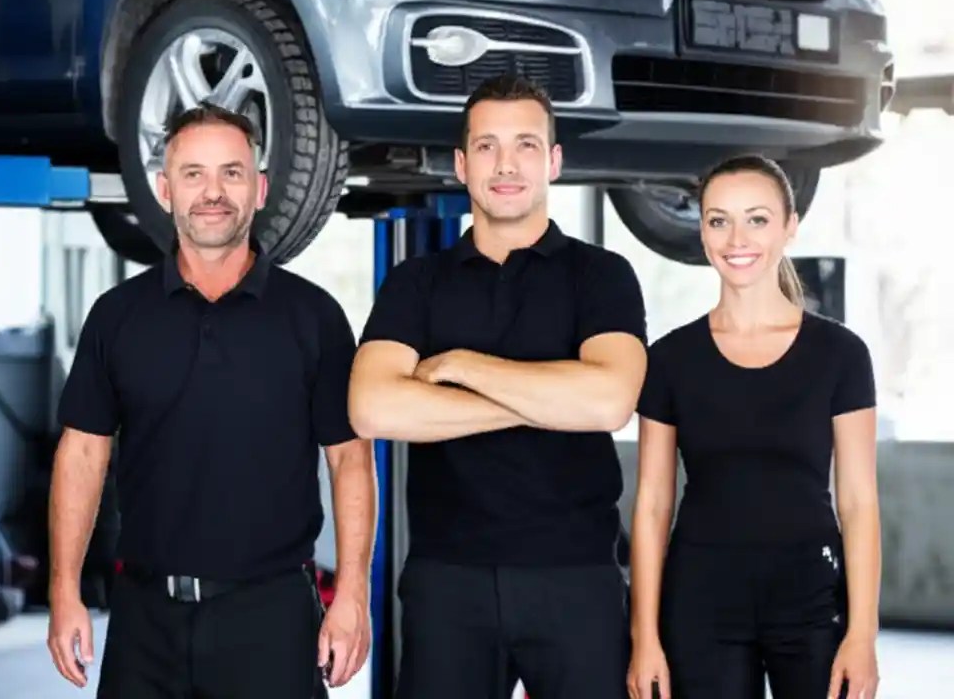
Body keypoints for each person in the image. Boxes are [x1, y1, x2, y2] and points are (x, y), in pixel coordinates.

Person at [46, 103, 377, 698]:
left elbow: (350, 459)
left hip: (272, 617)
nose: (213, 192)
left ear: (260, 188)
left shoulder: (314, 317)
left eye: (232, 172)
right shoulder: (117, 317)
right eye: (193, 174)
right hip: (145, 620)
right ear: (165, 190)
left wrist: (353, 593)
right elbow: (82, 456)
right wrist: (63, 590)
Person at [348, 73, 649, 698]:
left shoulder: (603, 276)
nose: (505, 164)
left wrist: (459, 365)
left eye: (526, 145)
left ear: (554, 162)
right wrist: (543, 399)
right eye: (486, 146)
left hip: (578, 578)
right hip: (446, 582)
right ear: (461, 165)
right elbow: (373, 407)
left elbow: (608, 402)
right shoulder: (416, 283)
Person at [626, 155, 881, 699]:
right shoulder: (670, 358)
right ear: (702, 230)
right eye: (719, 220)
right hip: (701, 602)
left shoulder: (841, 354)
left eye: (757, 219)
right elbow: (651, 505)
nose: (736, 237)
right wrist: (644, 636)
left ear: (790, 225)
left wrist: (862, 633)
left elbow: (858, 502)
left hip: (813, 599)